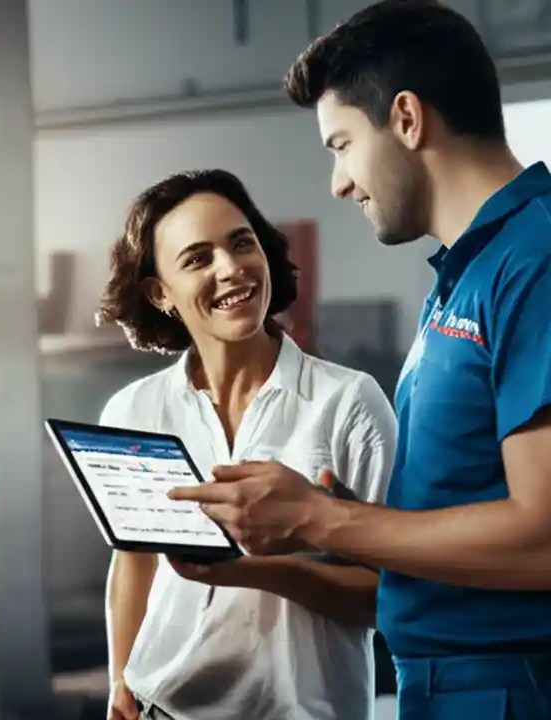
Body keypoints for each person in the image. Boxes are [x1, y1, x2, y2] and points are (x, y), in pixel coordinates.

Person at [169, 2, 551, 718]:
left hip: (527, 697)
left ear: (406, 118)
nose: (339, 182)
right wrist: (326, 526)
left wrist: (321, 519)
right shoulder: (466, 279)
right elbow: (468, 532)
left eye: (341, 144)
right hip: (448, 690)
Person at [96, 169, 397, 720]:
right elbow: (133, 565)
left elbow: (388, 597)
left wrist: (248, 566)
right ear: (159, 293)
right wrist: (121, 682)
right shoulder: (133, 412)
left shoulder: (348, 404)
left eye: (241, 243)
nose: (231, 269)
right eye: (197, 258)